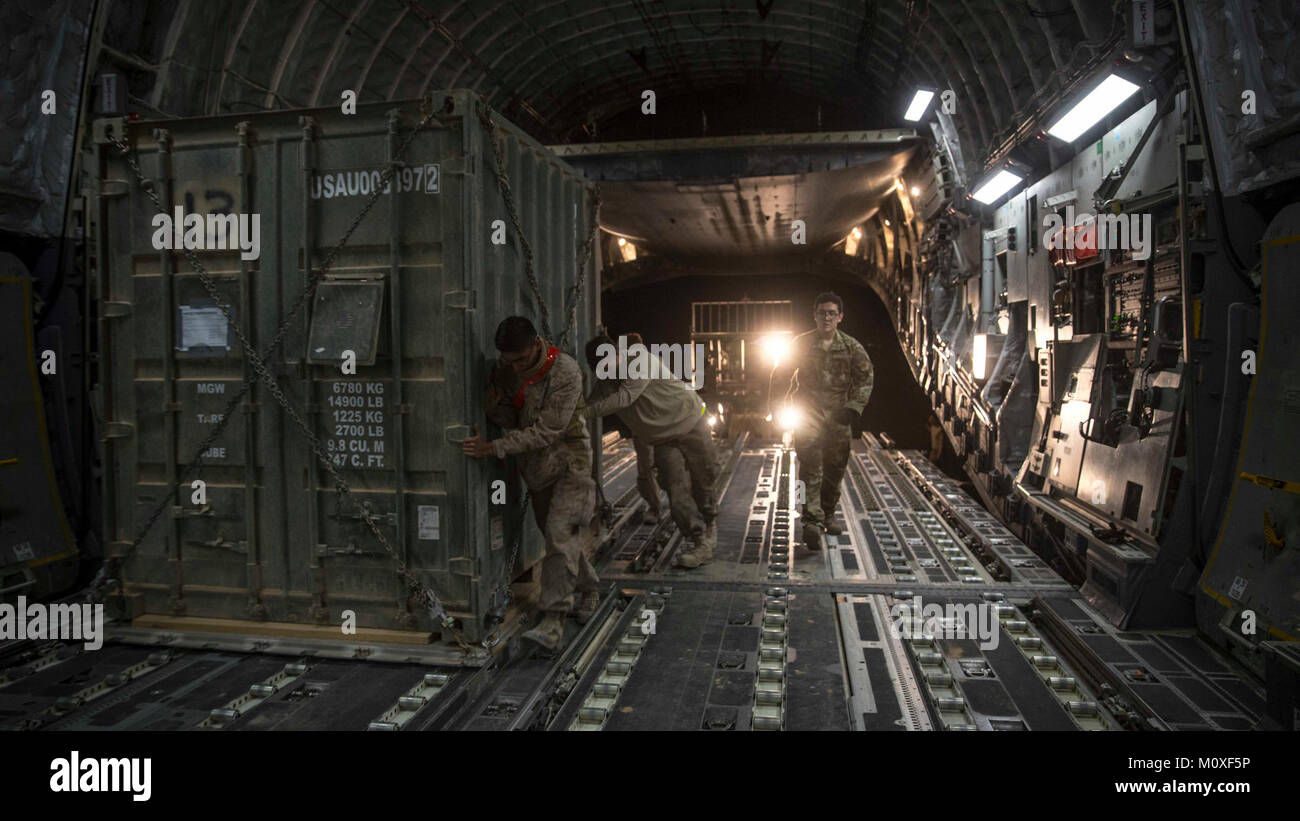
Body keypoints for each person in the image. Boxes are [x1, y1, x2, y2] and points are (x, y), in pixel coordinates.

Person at [461, 317, 599, 650]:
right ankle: (589, 586)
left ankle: (552, 623)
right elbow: (513, 417)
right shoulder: (506, 368)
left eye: (522, 359)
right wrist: (494, 412)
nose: (517, 367)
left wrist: (493, 448)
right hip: (537, 470)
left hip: (570, 465)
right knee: (558, 540)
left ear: (537, 344)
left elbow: (547, 431)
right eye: (510, 361)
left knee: (559, 535)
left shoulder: (564, 373)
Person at [584, 333, 720, 569]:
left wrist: (581, 414)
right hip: (663, 439)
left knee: (704, 479)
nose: (609, 371)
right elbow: (590, 403)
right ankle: (699, 540)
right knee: (675, 489)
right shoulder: (606, 379)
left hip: (691, 422)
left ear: (618, 352)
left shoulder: (639, 358)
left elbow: (625, 397)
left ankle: (709, 522)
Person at [780, 292, 874, 549]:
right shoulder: (801, 344)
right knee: (810, 463)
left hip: (838, 413)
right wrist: (776, 404)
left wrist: (854, 407)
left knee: (835, 468)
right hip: (808, 410)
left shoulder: (851, 347)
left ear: (840, 317)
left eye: (832, 313)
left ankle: (828, 514)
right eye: (822, 313)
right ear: (815, 315)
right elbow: (781, 373)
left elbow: (865, 378)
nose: (826, 317)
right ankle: (810, 520)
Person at [625, 333, 667, 524]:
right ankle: (660, 505)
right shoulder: (655, 361)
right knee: (658, 466)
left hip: (646, 424)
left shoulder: (637, 367)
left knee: (646, 468)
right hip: (661, 421)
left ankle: (656, 508)